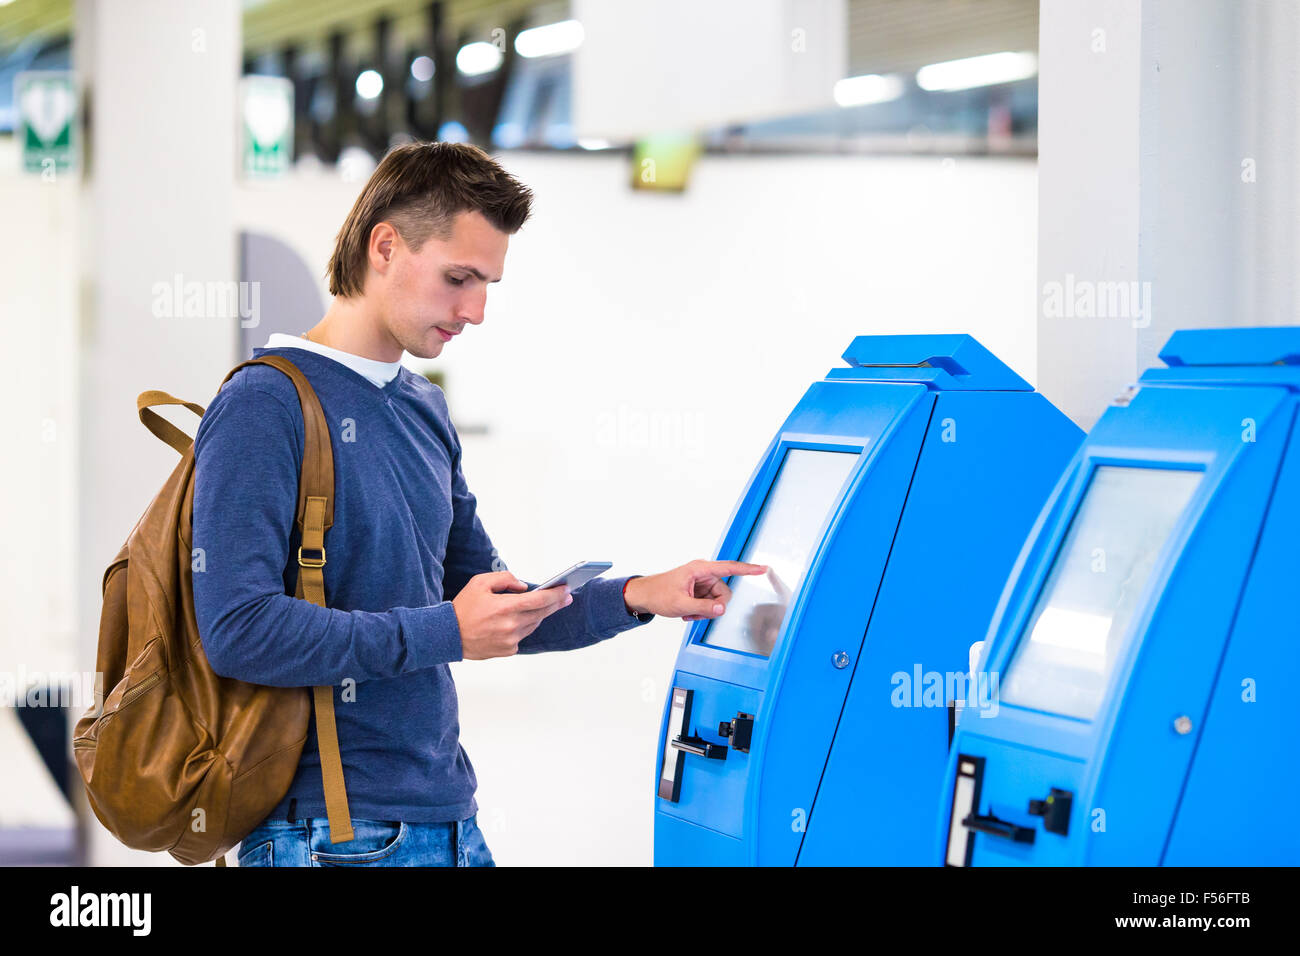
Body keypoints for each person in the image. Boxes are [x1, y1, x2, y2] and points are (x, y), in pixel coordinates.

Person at [190, 141, 765, 867]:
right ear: (385, 246)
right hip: (330, 836)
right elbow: (237, 630)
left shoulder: (422, 408)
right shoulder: (264, 404)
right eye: (458, 278)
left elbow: (493, 610)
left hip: (448, 822)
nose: (476, 311)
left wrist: (644, 595)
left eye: (488, 283)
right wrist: (444, 632)